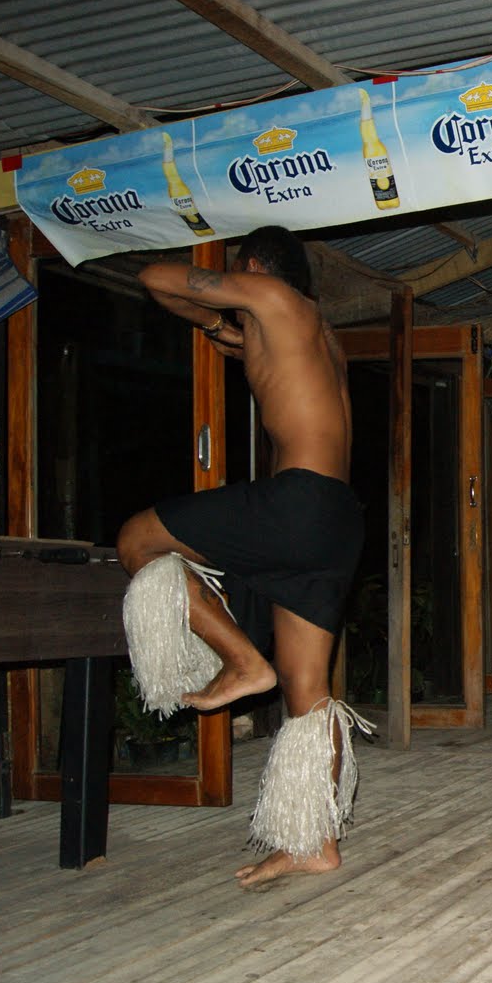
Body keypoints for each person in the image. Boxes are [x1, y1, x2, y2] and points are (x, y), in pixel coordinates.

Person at [117, 226, 368, 888]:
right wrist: (222, 320)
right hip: (337, 517)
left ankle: (240, 658)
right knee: (310, 693)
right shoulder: (317, 332)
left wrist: (223, 288)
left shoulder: (272, 296)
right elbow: (208, 319)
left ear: (255, 268)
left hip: (297, 502)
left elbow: (156, 280)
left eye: (238, 272)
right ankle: (314, 839)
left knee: (138, 539)